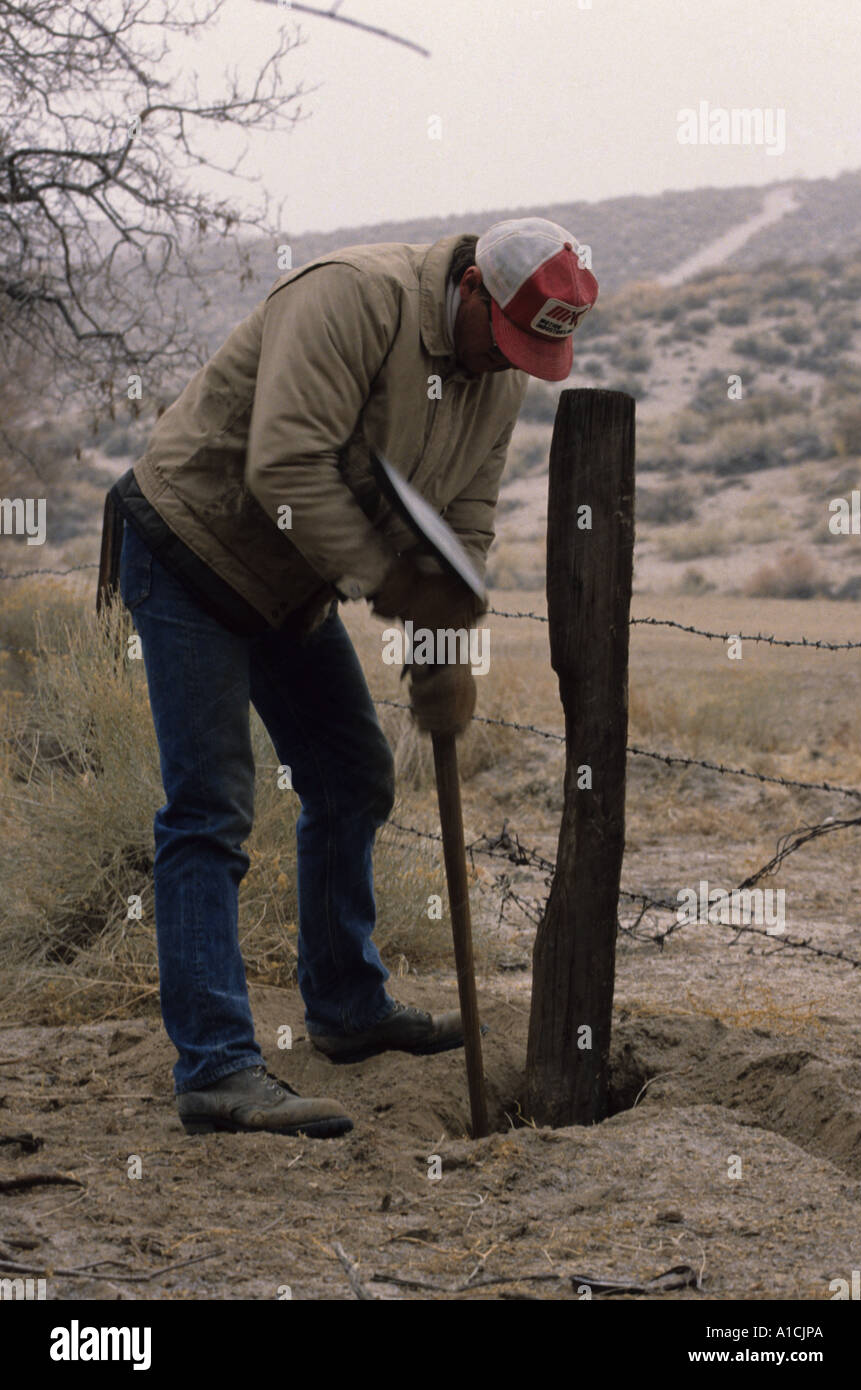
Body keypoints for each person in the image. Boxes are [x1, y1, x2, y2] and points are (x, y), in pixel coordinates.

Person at [99, 217, 598, 1138]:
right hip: (192, 547)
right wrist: (392, 584)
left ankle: (346, 1011)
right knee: (210, 805)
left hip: (292, 584)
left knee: (351, 778)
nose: (511, 366)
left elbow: (465, 520)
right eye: (508, 340)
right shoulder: (350, 297)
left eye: (533, 355)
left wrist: (445, 638)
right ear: (476, 291)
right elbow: (286, 466)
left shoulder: (497, 377)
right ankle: (215, 1069)